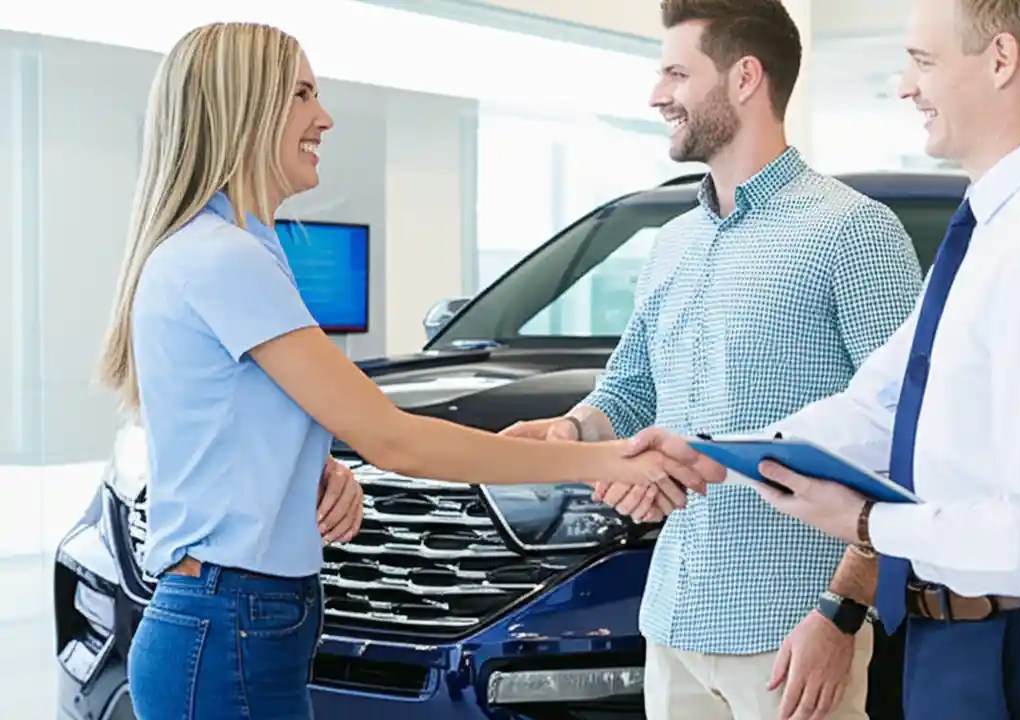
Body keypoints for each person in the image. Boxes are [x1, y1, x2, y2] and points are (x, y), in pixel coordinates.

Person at [98, 22, 722, 720]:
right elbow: (394, 440)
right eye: (300, 94)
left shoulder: (234, 249)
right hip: (230, 623)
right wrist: (607, 460)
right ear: (243, 108)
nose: (324, 117)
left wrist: (310, 471)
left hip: (241, 619)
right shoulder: (224, 258)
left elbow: (226, 423)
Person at [632, 0, 1020, 717]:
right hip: (961, 639)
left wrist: (865, 524)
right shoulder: (995, 230)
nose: (905, 87)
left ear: (1001, 60)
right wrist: (716, 456)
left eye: (922, 62)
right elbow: (883, 401)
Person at [502, 1, 924, 718]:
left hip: (794, 630)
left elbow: (908, 441)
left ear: (744, 78)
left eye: (676, 72)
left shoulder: (855, 232)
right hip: (673, 621)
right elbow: (631, 390)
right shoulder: (672, 241)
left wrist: (843, 613)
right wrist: (572, 433)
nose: (656, 94)